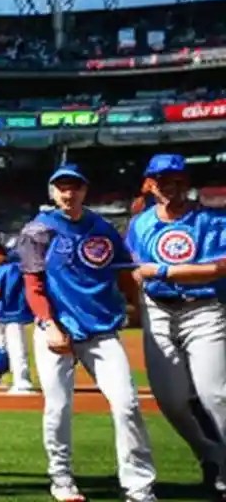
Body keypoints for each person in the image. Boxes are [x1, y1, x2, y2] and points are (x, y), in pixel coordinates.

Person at [16, 163, 157, 502]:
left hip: (101, 330)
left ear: (84, 190)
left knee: (127, 404)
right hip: (57, 330)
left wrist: (134, 303)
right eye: (61, 187)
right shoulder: (38, 231)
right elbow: (33, 284)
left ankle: (138, 486)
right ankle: (61, 478)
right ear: (52, 192)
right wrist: (49, 325)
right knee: (58, 407)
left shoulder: (102, 228)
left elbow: (123, 271)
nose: (68, 193)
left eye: (74, 187)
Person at [125, 152, 226, 499]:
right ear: (151, 184)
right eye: (163, 178)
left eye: (177, 177)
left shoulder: (212, 220)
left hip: (204, 308)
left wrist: (163, 270)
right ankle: (211, 455)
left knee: (216, 394)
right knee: (170, 399)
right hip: (158, 309)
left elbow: (218, 268)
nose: (171, 184)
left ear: (187, 181)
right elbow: (134, 267)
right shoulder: (140, 224)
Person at [0, 240, 35, 394]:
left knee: (11, 346)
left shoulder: (5, 270)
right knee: (5, 346)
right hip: (7, 311)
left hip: (7, 312)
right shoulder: (18, 269)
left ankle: (21, 381)